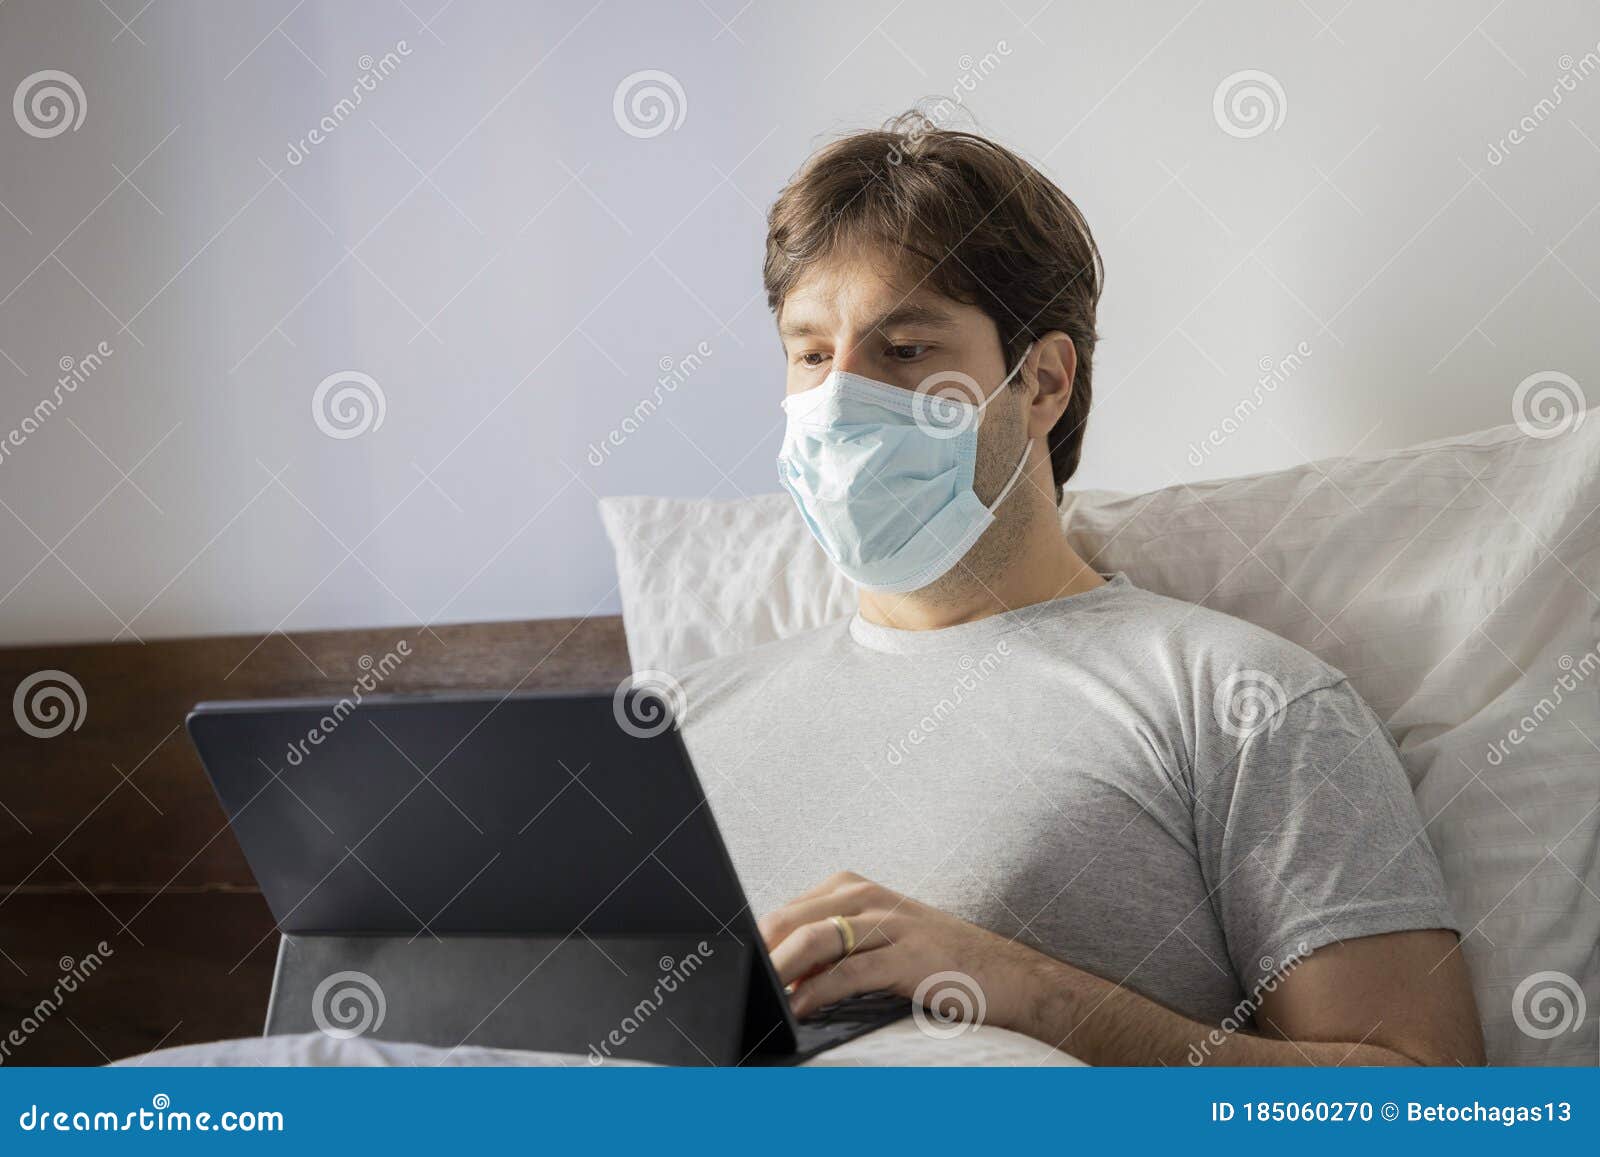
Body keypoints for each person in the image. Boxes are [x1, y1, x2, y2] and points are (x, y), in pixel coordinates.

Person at [678, 112, 1485, 1066]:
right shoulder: (682, 725)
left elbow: (1434, 1108)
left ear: (1045, 382)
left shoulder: (1238, 704)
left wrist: (1030, 992)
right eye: (812, 354)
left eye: (903, 351)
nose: (839, 401)